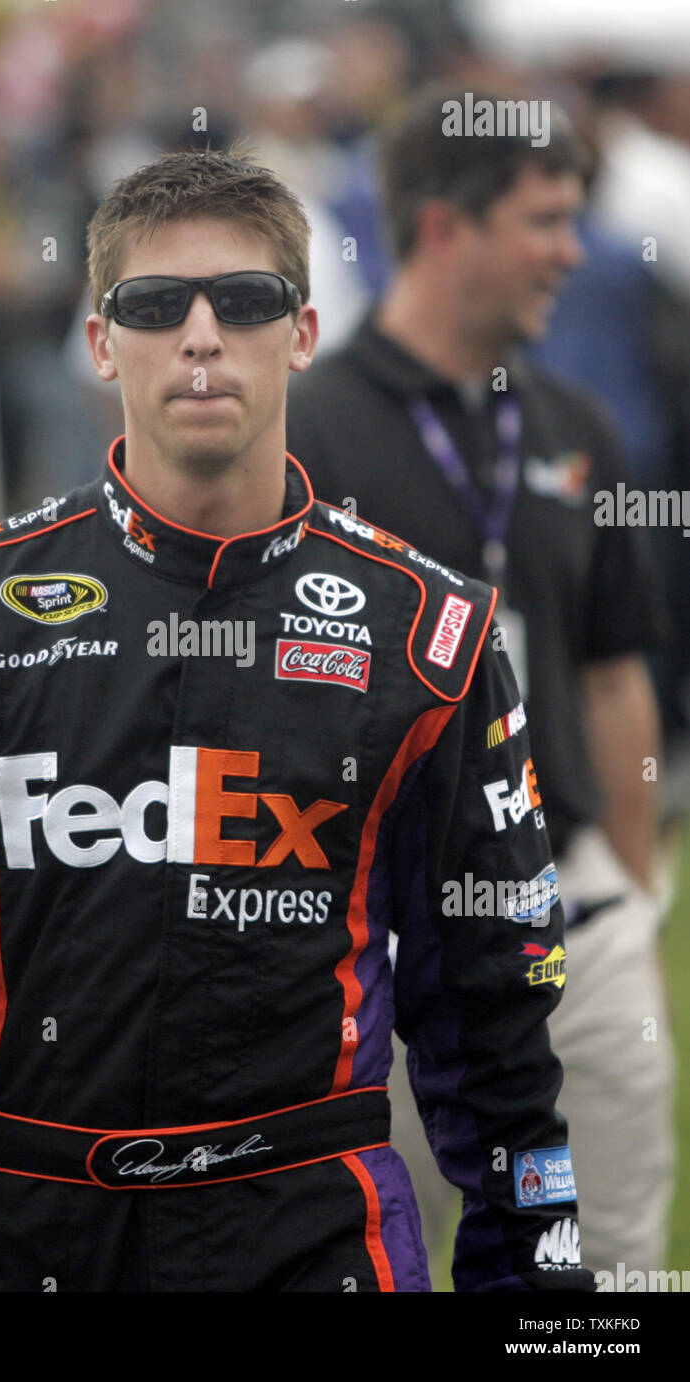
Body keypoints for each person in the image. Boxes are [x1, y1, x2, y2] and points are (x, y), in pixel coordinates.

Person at [0, 148, 592, 1293]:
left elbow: (490, 1005)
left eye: (247, 300)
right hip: (38, 1229)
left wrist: (538, 1268)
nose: (203, 335)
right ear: (98, 341)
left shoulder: (427, 630)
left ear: (305, 331)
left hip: (316, 1229)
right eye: (156, 305)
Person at [287, 87, 675, 1282]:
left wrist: (627, 890)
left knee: (599, 1279)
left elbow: (613, 670)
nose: (571, 251)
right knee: (363, 1263)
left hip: (575, 921)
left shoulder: (575, 424)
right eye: (544, 220)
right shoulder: (303, 432)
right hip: (376, 948)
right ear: (446, 226)